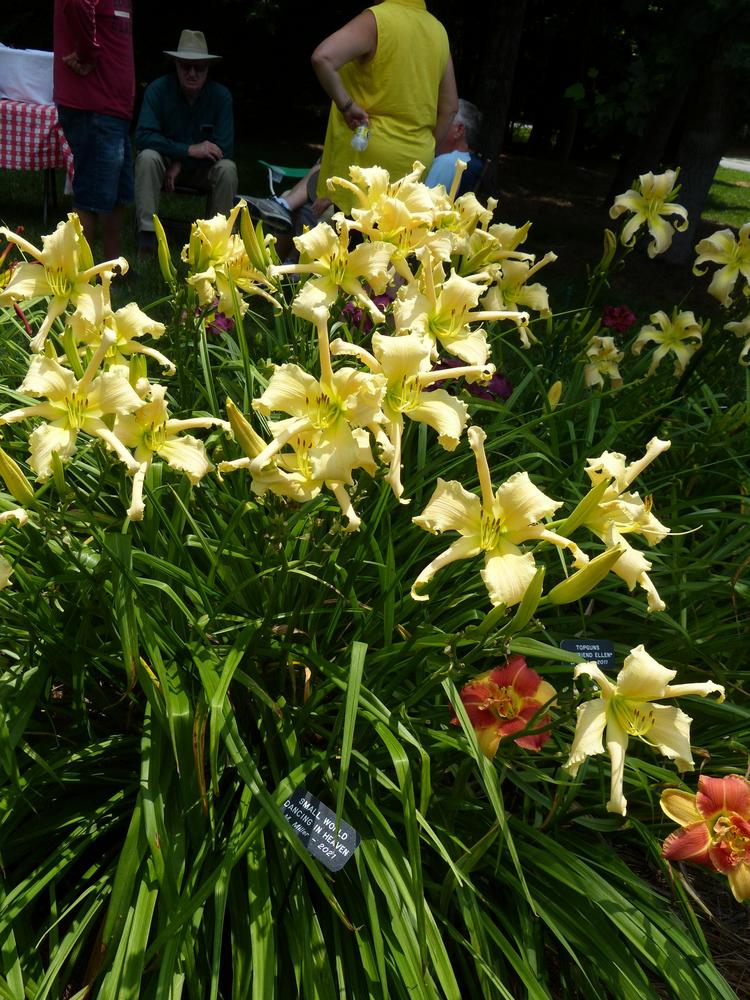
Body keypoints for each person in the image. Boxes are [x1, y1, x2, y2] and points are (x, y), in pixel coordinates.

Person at [310, 0, 458, 215]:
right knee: (394, 242)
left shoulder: (377, 20)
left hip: (367, 154)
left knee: (354, 241)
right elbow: (450, 107)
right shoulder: (438, 30)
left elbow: (323, 57)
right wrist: (425, 147)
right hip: (416, 160)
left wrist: (348, 106)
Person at [134, 30, 238, 254]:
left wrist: (181, 161)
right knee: (147, 158)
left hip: (201, 170)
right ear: (176, 65)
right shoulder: (158, 90)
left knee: (227, 169)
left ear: (208, 69)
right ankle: (147, 236)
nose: (192, 72)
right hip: (165, 166)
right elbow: (143, 136)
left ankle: (216, 239)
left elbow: (225, 149)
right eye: (186, 66)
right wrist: (188, 150)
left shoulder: (221, 97)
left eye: (199, 67)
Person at [53, 0, 135, 258]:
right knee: (90, 196)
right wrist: (87, 53)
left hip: (111, 107)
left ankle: (113, 269)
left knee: (117, 195)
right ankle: (82, 280)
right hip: (93, 105)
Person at [424, 99, 484, 194]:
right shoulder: (472, 162)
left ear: (459, 129)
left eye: (440, 120)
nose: (434, 126)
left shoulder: (447, 163)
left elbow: (420, 204)